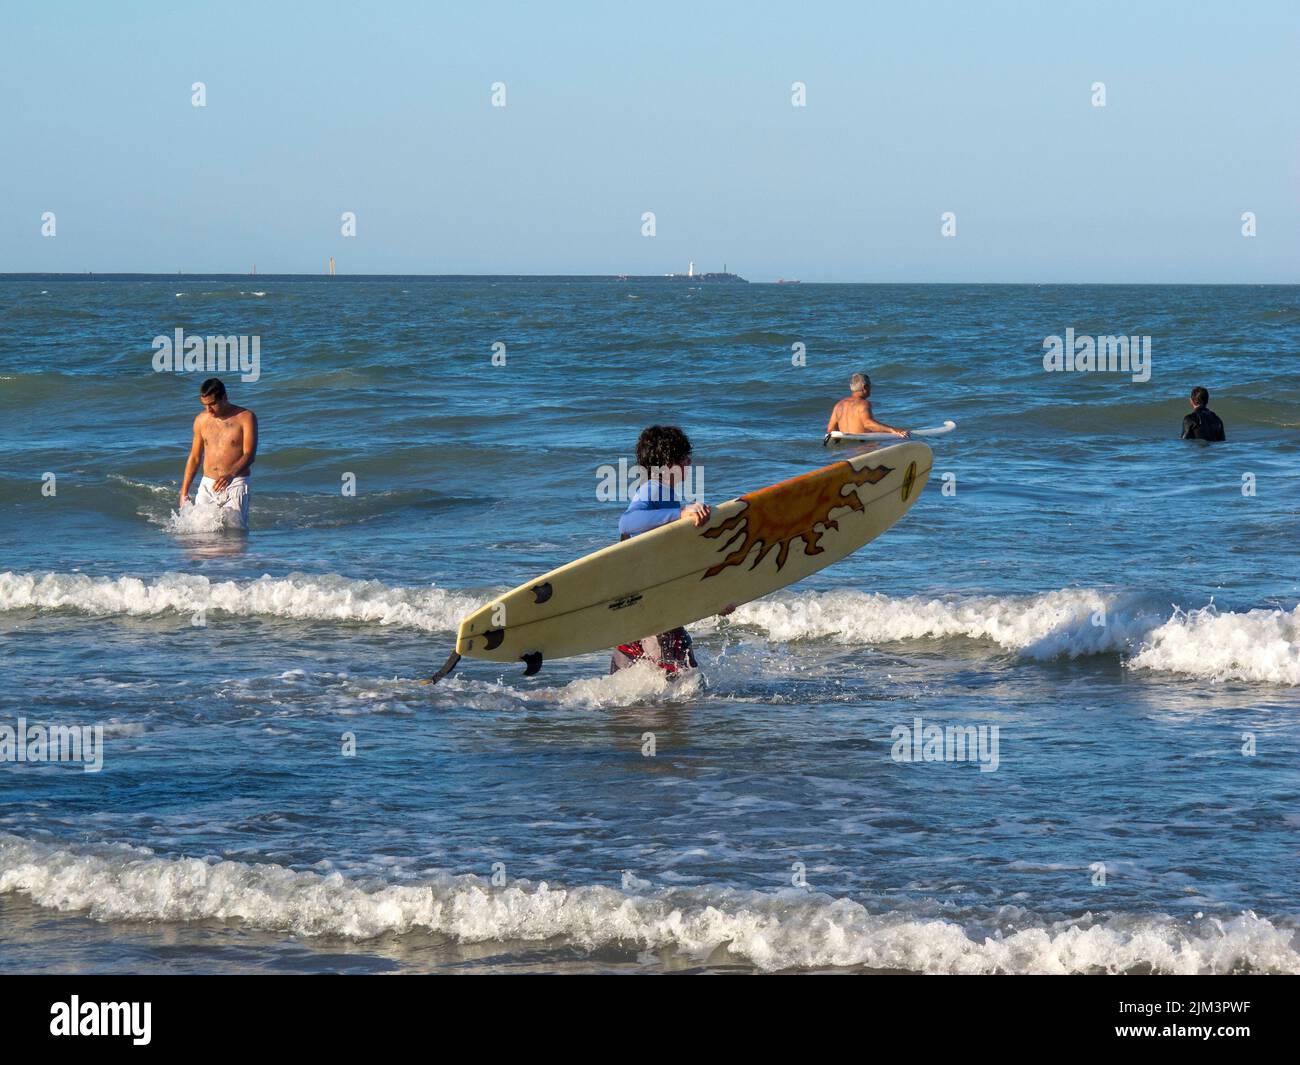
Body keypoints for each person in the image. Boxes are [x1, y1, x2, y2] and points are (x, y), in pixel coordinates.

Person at [610, 425, 710, 677]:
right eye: (684, 457)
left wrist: (715, 599)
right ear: (668, 464)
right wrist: (680, 513)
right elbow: (627, 523)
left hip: (646, 605)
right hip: (651, 610)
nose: (689, 462)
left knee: (631, 693)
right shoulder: (654, 489)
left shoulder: (665, 493)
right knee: (678, 683)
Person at [179, 378, 258, 529]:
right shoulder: (201, 420)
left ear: (224, 397)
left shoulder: (246, 417)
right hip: (208, 485)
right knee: (200, 535)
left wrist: (230, 475)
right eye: (205, 405)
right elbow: (195, 457)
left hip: (236, 483)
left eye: (212, 404)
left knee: (235, 536)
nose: (209, 410)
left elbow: (250, 455)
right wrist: (184, 491)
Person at [825, 373, 910, 441]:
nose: (871, 388)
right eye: (870, 385)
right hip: (862, 448)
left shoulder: (839, 405)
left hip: (846, 451)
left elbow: (830, 429)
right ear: (865, 387)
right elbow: (868, 424)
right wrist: (894, 430)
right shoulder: (863, 403)